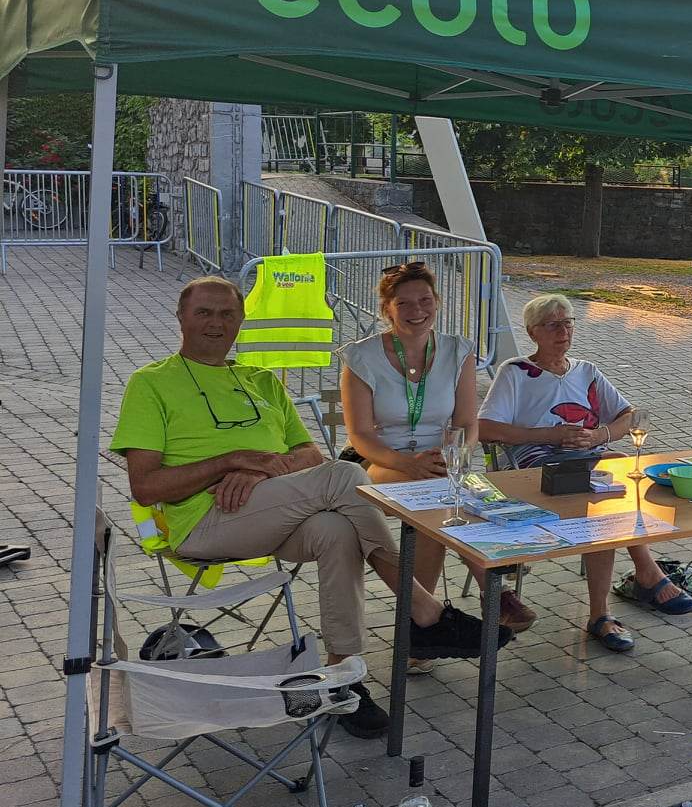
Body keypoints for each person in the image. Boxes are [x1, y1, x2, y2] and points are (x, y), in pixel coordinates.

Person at [112, 276, 511, 739]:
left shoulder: (259, 380)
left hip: (270, 510)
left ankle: (344, 678)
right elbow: (145, 487)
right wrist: (230, 461)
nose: (216, 323)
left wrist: (262, 470)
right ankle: (422, 611)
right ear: (181, 317)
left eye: (227, 313)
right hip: (203, 521)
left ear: (241, 320)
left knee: (336, 531)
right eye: (204, 312)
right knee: (346, 476)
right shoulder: (151, 382)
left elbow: (309, 455)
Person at [479, 293, 692, 654]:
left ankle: (628, 589)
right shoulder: (516, 372)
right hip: (536, 463)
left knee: (621, 472)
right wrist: (550, 435)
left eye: (568, 323)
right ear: (533, 332)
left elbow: (630, 416)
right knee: (602, 502)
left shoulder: (586, 371)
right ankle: (629, 590)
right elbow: (485, 428)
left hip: (587, 456)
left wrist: (599, 435)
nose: (563, 332)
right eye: (553, 325)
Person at [339, 262, 536, 638]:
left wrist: (457, 454)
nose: (417, 311)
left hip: (442, 462)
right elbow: (360, 435)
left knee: (440, 501)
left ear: (438, 302)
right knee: (440, 495)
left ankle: (419, 630)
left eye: (425, 300)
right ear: (387, 309)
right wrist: (408, 464)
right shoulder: (362, 357)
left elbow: (468, 423)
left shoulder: (456, 350)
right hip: (378, 458)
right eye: (404, 303)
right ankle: (493, 592)